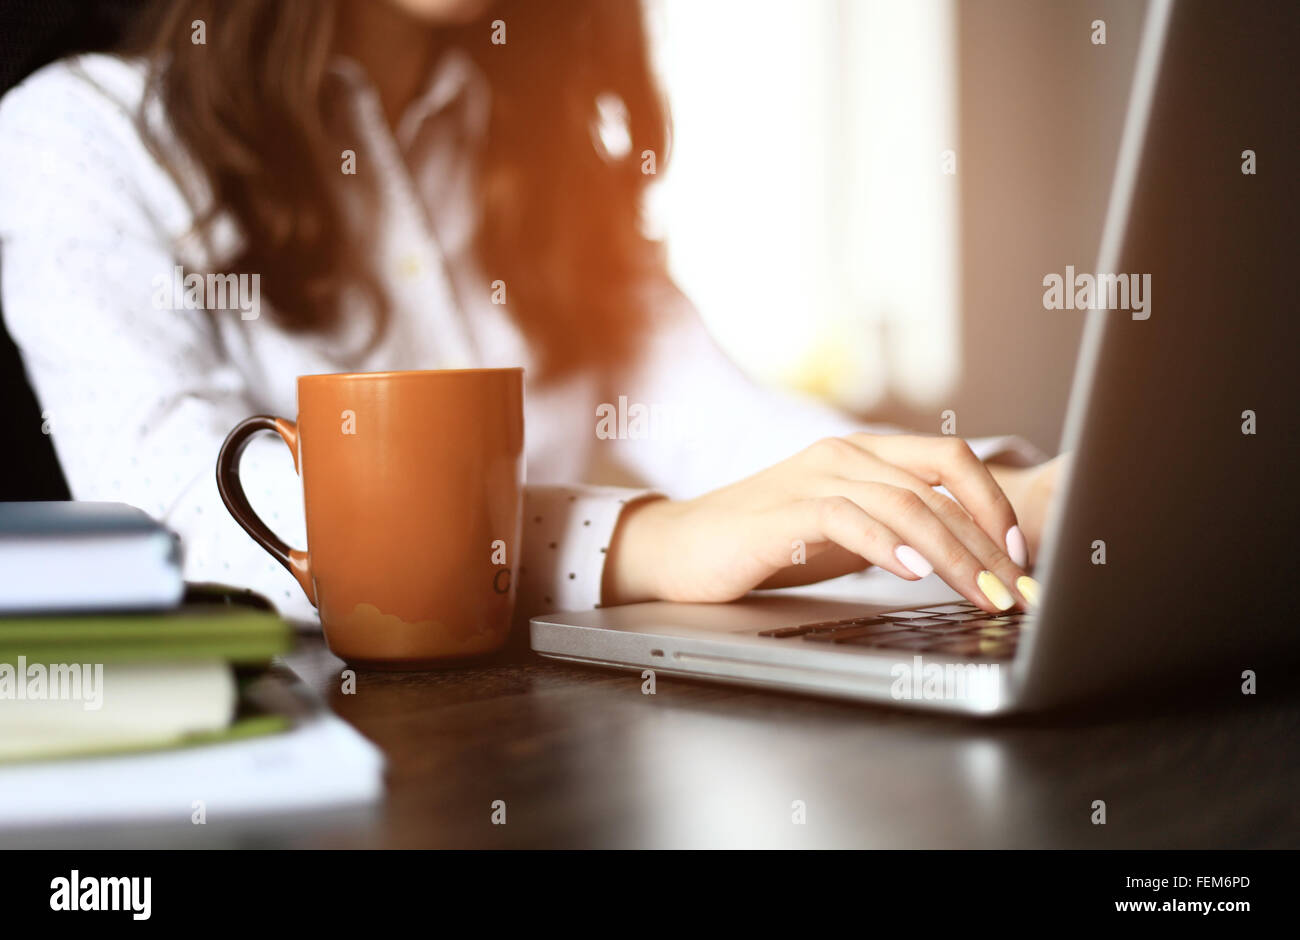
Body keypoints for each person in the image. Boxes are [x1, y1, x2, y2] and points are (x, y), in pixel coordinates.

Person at [0, 0, 1060, 626]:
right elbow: (181, 509)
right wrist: (642, 543)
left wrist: (1017, 501)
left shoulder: (531, 142)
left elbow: (724, 430)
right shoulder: (77, 140)